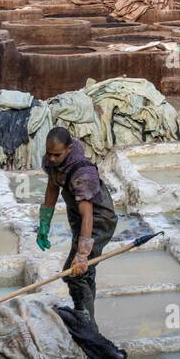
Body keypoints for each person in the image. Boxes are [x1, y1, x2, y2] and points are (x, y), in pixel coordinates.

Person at [36, 127, 118, 330]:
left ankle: (88, 324)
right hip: (78, 216)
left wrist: (82, 254)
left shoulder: (82, 172)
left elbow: (88, 215)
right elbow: (52, 187)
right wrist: (44, 222)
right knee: (84, 273)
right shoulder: (52, 161)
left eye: (57, 154)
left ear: (69, 148)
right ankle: (85, 314)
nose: (52, 159)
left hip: (98, 220)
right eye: (49, 153)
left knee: (75, 272)